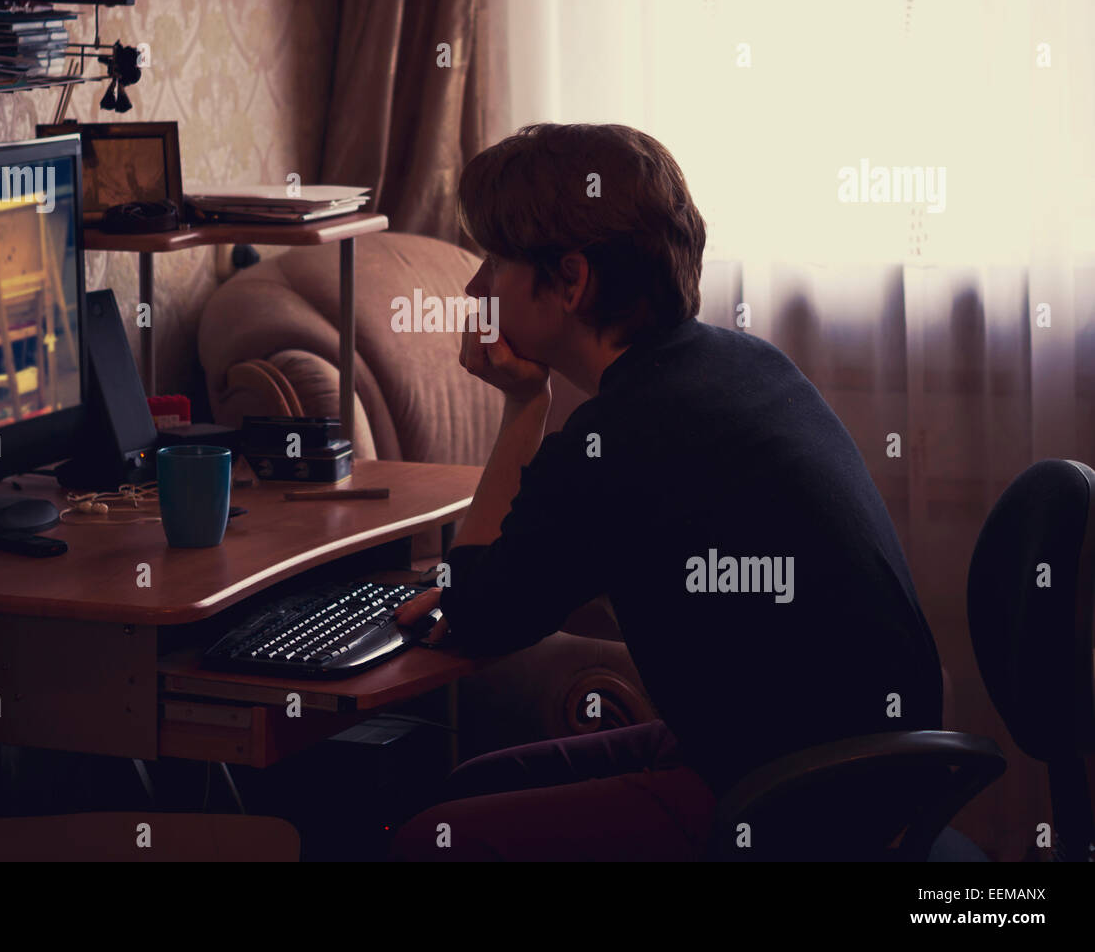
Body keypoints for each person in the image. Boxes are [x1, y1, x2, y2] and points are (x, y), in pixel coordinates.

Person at [392, 123, 943, 861]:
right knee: (460, 792)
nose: (473, 288)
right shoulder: (746, 362)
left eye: (493, 261)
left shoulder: (616, 438)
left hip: (797, 801)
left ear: (570, 281)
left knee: (436, 839)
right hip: (878, 764)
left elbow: (477, 613)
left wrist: (523, 407)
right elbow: (601, 566)